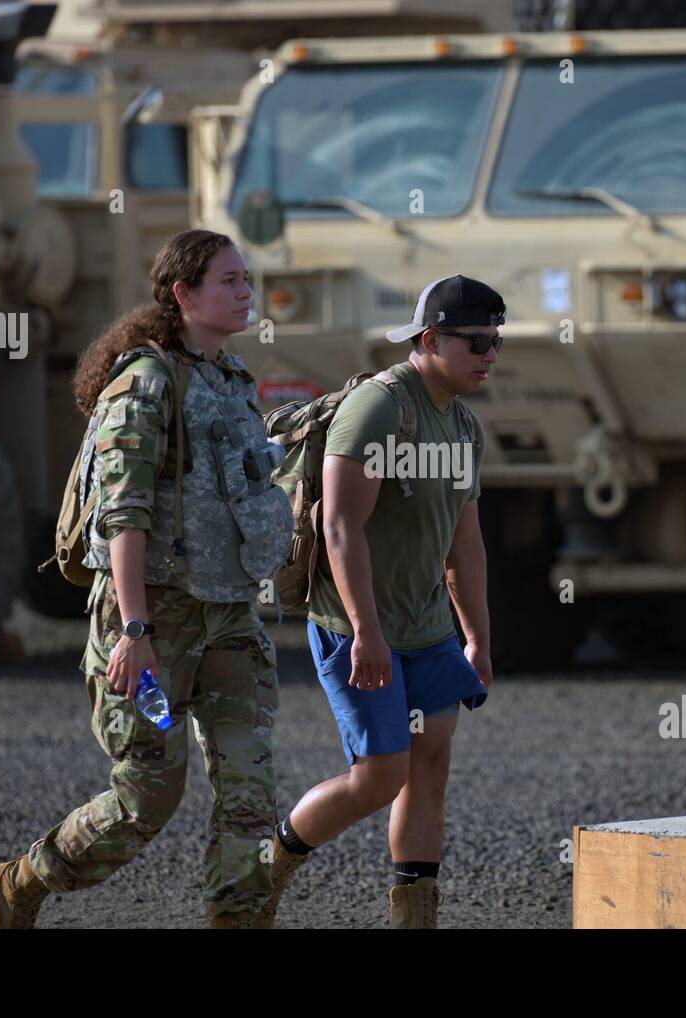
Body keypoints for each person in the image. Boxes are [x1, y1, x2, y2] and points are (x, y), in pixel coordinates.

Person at [0, 229, 292, 929]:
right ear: (184, 294)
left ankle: (237, 919)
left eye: (247, 279)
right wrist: (137, 629)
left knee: (251, 789)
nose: (247, 292)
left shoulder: (233, 380)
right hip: (154, 628)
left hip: (229, 622)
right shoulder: (145, 383)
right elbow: (124, 514)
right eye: (230, 282)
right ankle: (20, 883)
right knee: (147, 796)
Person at [257, 274, 500, 929]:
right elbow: (340, 525)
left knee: (431, 763)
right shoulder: (380, 408)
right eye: (475, 341)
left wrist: (476, 637)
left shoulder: (465, 426)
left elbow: (466, 544)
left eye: (495, 341)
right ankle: (262, 875)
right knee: (380, 775)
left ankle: (413, 917)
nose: (490, 354)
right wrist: (366, 632)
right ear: (430, 339)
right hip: (355, 626)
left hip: (428, 630)